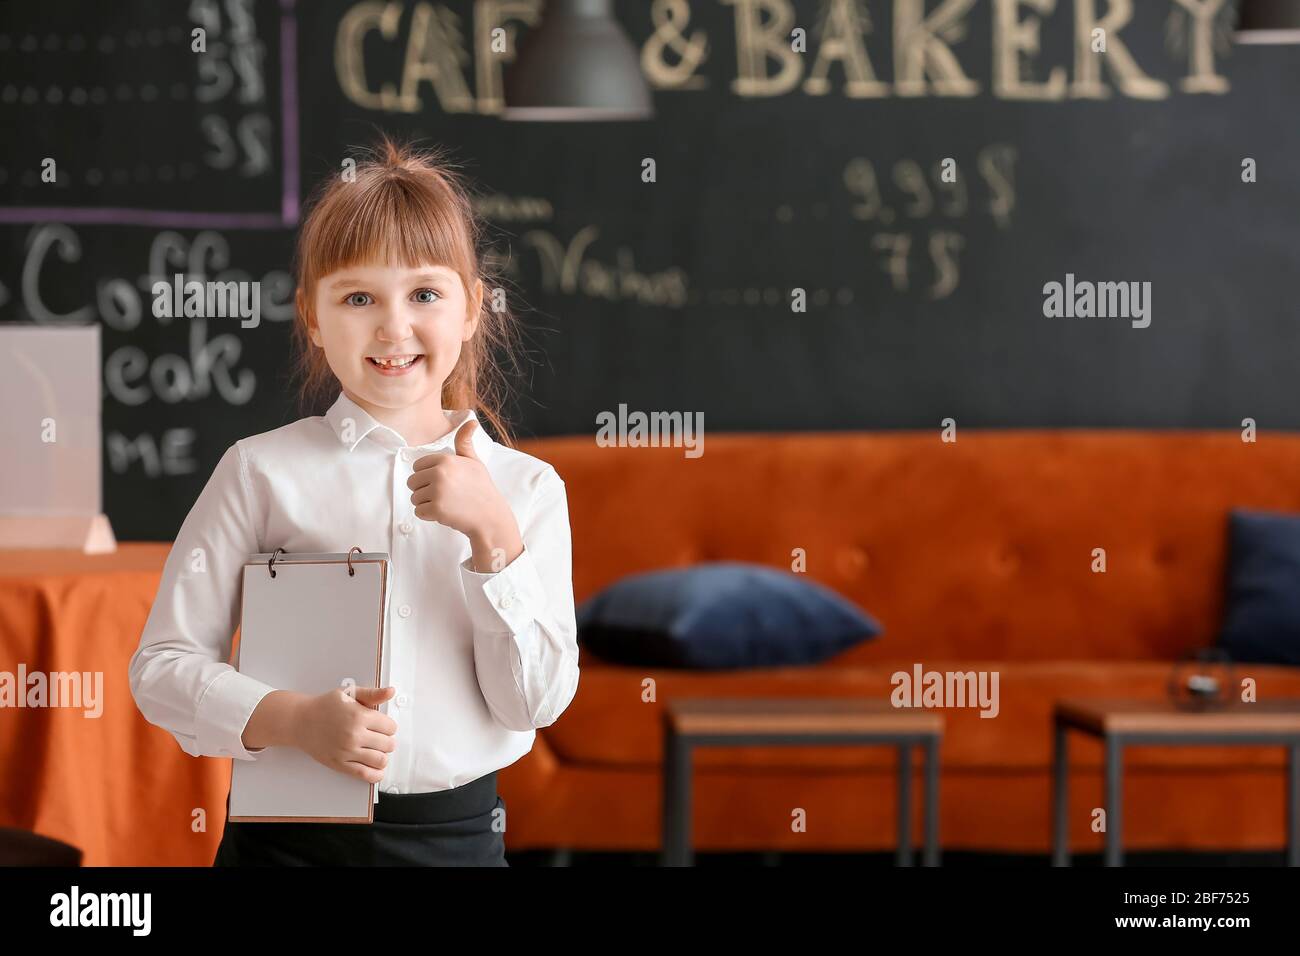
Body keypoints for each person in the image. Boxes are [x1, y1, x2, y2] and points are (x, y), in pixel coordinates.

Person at [127, 136, 580, 866]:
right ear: (312, 316)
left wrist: (495, 541)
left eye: (425, 294)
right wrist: (293, 719)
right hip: (285, 845)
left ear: (471, 309)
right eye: (358, 297)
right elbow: (162, 666)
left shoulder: (527, 491)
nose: (393, 327)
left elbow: (534, 704)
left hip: (456, 844)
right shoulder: (259, 471)